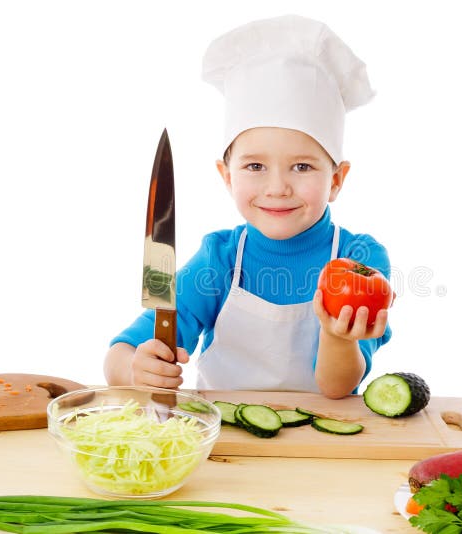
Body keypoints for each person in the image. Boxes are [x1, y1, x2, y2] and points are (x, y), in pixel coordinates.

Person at [104, 15, 392, 399]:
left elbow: (337, 388)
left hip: (322, 447)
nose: (277, 188)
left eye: (302, 166)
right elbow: (120, 354)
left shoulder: (360, 259)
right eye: (255, 166)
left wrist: (337, 338)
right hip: (226, 445)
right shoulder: (219, 259)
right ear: (227, 176)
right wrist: (136, 368)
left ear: (336, 179)